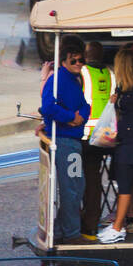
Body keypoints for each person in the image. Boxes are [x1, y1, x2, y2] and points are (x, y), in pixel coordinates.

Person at [98, 47, 133, 245]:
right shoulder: (125, 88)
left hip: (131, 142)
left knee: (125, 186)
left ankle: (117, 227)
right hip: (128, 140)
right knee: (129, 183)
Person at [40, 35, 90, 245]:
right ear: (64, 62)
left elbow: (85, 105)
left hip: (72, 141)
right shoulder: (58, 80)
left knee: (76, 185)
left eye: (81, 60)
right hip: (65, 141)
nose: (78, 64)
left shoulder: (72, 80)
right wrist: (71, 118)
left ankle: (62, 229)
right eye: (74, 61)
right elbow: (47, 107)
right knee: (73, 187)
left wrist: (80, 116)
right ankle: (71, 233)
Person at [81, 41, 116, 242]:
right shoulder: (110, 73)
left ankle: (87, 227)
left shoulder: (83, 73)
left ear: (86, 55)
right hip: (108, 136)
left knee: (88, 184)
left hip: (86, 137)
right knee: (108, 182)